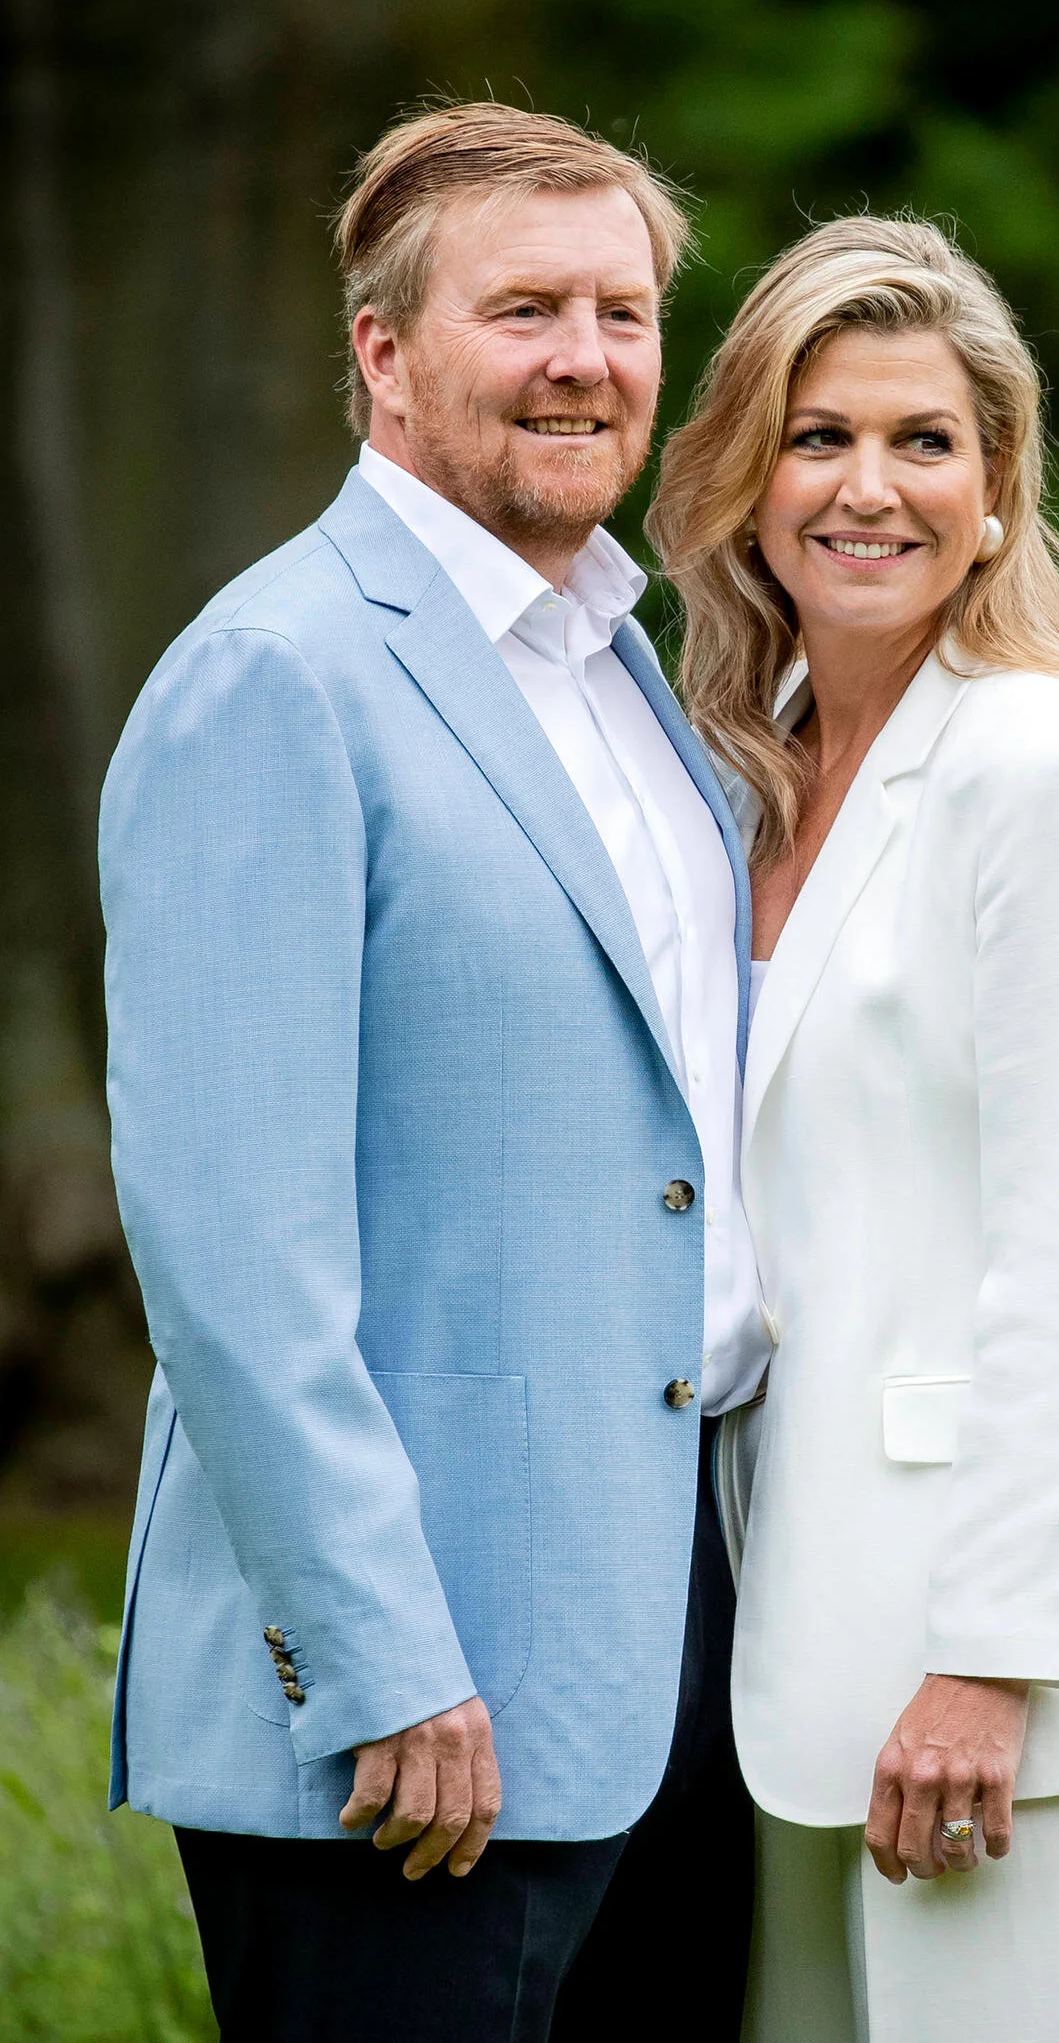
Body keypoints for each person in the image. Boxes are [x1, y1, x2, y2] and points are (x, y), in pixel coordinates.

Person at [99, 102, 767, 2043]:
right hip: (413, 1713)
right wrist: (385, 1660)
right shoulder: (278, 674)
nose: (587, 359)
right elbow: (231, 1245)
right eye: (526, 309)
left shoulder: (624, 672)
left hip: (653, 1662)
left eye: (625, 313)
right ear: (386, 357)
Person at [647, 214, 1059, 2042]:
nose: (867, 488)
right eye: (818, 437)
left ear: (995, 494)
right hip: (791, 1654)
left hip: (998, 1692)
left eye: (924, 441)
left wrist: (991, 1662)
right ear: (745, 478)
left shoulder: (1041, 766)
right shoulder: (747, 773)